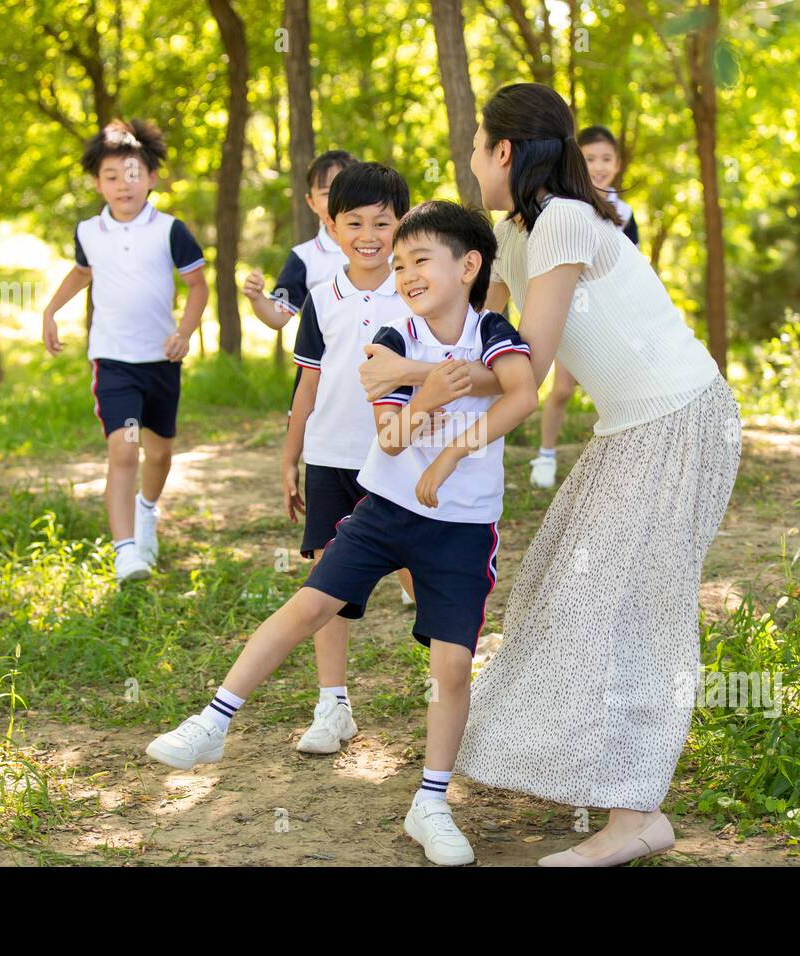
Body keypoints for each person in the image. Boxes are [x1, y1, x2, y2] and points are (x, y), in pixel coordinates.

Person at [362, 83, 741, 866]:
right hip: (633, 428)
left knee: (631, 605)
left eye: (476, 147)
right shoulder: (520, 229)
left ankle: (635, 816)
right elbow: (477, 329)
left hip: (677, 421)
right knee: (566, 587)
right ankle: (619, 797)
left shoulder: (565, 219)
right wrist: (407, 359)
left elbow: (520, 368)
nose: (470, 160)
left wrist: (425, 393)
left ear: (505, 152)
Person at [145, 200, 538, 866]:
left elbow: (521, 394)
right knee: (308, 606)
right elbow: (389, 435)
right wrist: (426, 401)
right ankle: (214, 721)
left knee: (450, 665)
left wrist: (449, 453)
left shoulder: (493, 328)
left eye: (420, 259)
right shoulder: (393, 336)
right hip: (384, 509)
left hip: (463, 526)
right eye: (400, 261)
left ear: (469, 266)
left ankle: (431, 801)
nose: (405, 270)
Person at [283, 161, 416, 755]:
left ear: (402, 225)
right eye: (353, 221)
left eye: (381, 222)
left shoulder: (417, 294)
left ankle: (461, 693)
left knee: (422, 572)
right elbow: (307, 387)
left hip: (396, 458)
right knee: (325, 582)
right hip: (330, 457)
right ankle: (332, 704)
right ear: (332, 226)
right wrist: (291, 456)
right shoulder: (320, 297)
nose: (367, 234)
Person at [41, 119, 208, 585]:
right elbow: (81, 273)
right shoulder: (89, 231)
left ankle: (147, 513)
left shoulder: (172, 230)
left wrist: (185, 332)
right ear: (98, 183)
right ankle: (124, 550)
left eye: (132, 174)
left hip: (161, 360)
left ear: (151, 177)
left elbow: (197, 286)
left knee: (159, 454)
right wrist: (51, 311)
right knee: (125, 449)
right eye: (111, 176)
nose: (122, 184)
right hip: (113, 360)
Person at [527, 123, 640, 490]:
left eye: (607, 158)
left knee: (617, 389)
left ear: (618, 164)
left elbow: (630, 264)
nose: (600, 165)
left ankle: (619, 464)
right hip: (574, 307)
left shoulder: (624, 212)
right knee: (562, 387)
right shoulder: (568, 206)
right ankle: (545, 455)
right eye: (590, 158)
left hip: (613, 312)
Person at [241, 149, 355, 431]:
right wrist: (257, 298)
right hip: (321, 377)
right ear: (311, 202)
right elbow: (278, 316)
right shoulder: (304, 258)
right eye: (328, 192)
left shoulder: (388, 252)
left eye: (346, 187)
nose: (338, 199)